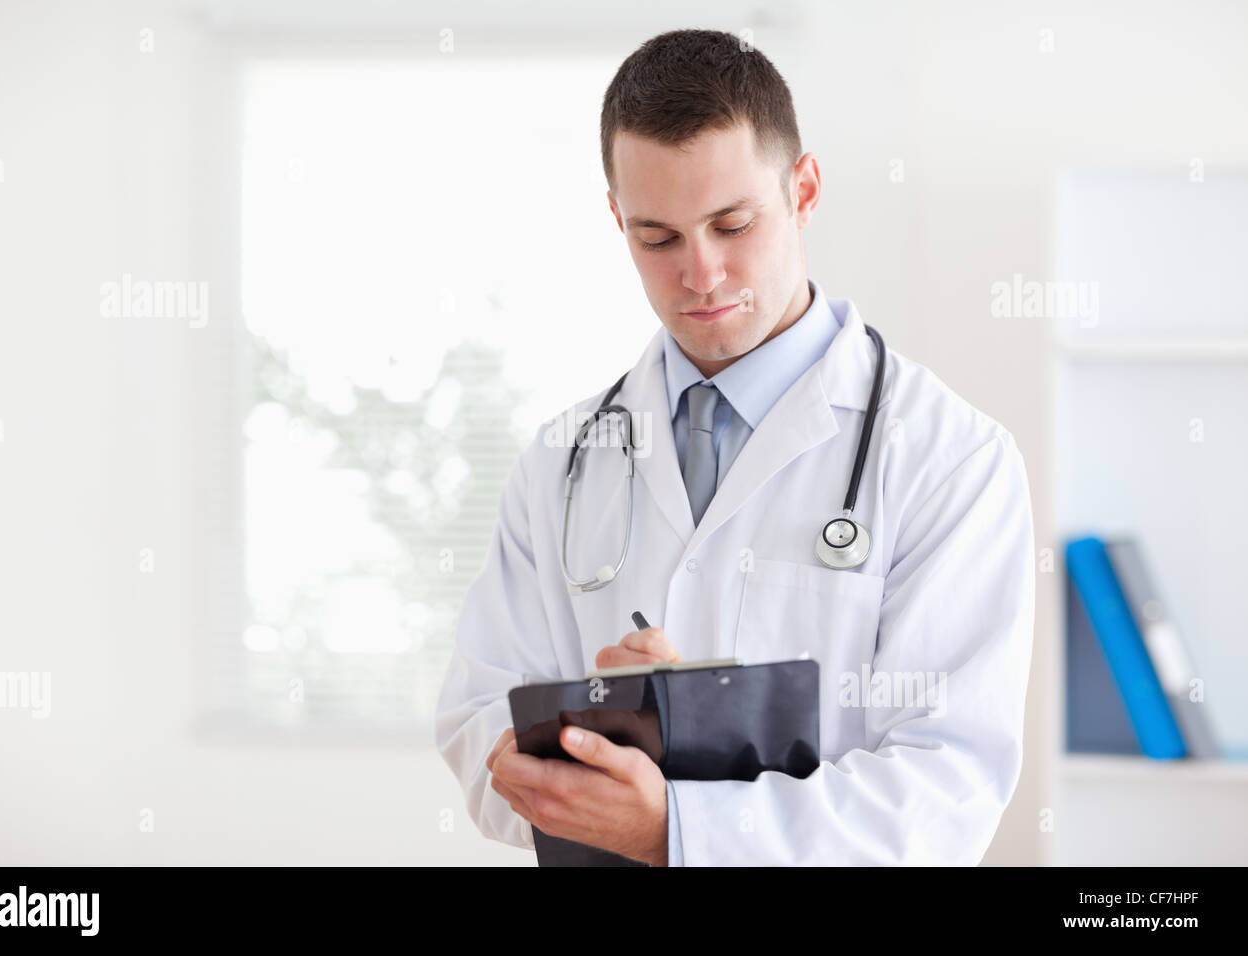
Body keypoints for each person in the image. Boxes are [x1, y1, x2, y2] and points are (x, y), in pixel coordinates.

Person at [434, 28, 1035, 866]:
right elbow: (477, 722)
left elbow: (946, 793)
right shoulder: (563, 460)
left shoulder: (950, 459)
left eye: (732, 223)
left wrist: (673, 827)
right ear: (617, 219)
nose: (702, 273)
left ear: (805, 188)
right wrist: (593, 727)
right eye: (658, 238)